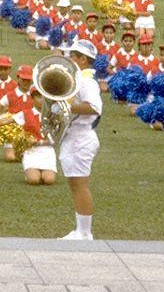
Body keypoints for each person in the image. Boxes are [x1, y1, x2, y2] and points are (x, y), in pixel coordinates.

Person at [60, 39, 103, 240]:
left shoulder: (87, 82)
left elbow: (94, 107)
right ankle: (81, 230)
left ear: (83, 59)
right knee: (75, 184)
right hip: (75, 136)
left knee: (80, 184)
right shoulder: (80, 79)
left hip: (81, 137)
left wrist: (66, 107)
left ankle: (84, 232)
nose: (69, 59)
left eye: (73, 56)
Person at [0, 87, 57, 186]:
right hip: (31, 151)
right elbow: (5, 121)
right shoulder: (25, 113)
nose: (41, 100)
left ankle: (41, 173)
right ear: (32, 99)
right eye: (38, 96)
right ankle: (31, 172)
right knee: (34, 180)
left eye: (43, 97)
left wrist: (38, 142)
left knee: (49, 180)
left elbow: (56, 139)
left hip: (47, 151)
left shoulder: (52, 115)